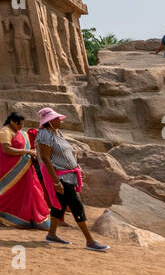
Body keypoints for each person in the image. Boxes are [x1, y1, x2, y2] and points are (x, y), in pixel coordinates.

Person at [34, 108, 109, 251]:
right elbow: (45, 157)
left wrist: (77, 168)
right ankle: (90, 241)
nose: (59, 120)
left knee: (59, 206)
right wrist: (56, 181)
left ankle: (52, 234)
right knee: (76, 206)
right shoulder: (44, 134)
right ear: (48, 121)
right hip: (60, 176)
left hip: (69, 174)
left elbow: (65, 154)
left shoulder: (56, 133)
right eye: (56, 119)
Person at [0, 111, 51, 230]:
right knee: (10, 190)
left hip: (25, 166)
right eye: (19, 125)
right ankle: (0, 216)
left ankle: (29, 216)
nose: (21, 127)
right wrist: (27, 152)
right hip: (10, 167)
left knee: (29, 189)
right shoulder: (5, 131)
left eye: (22, 125)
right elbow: (6, 149)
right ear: (12, 122)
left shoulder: (20, 133)